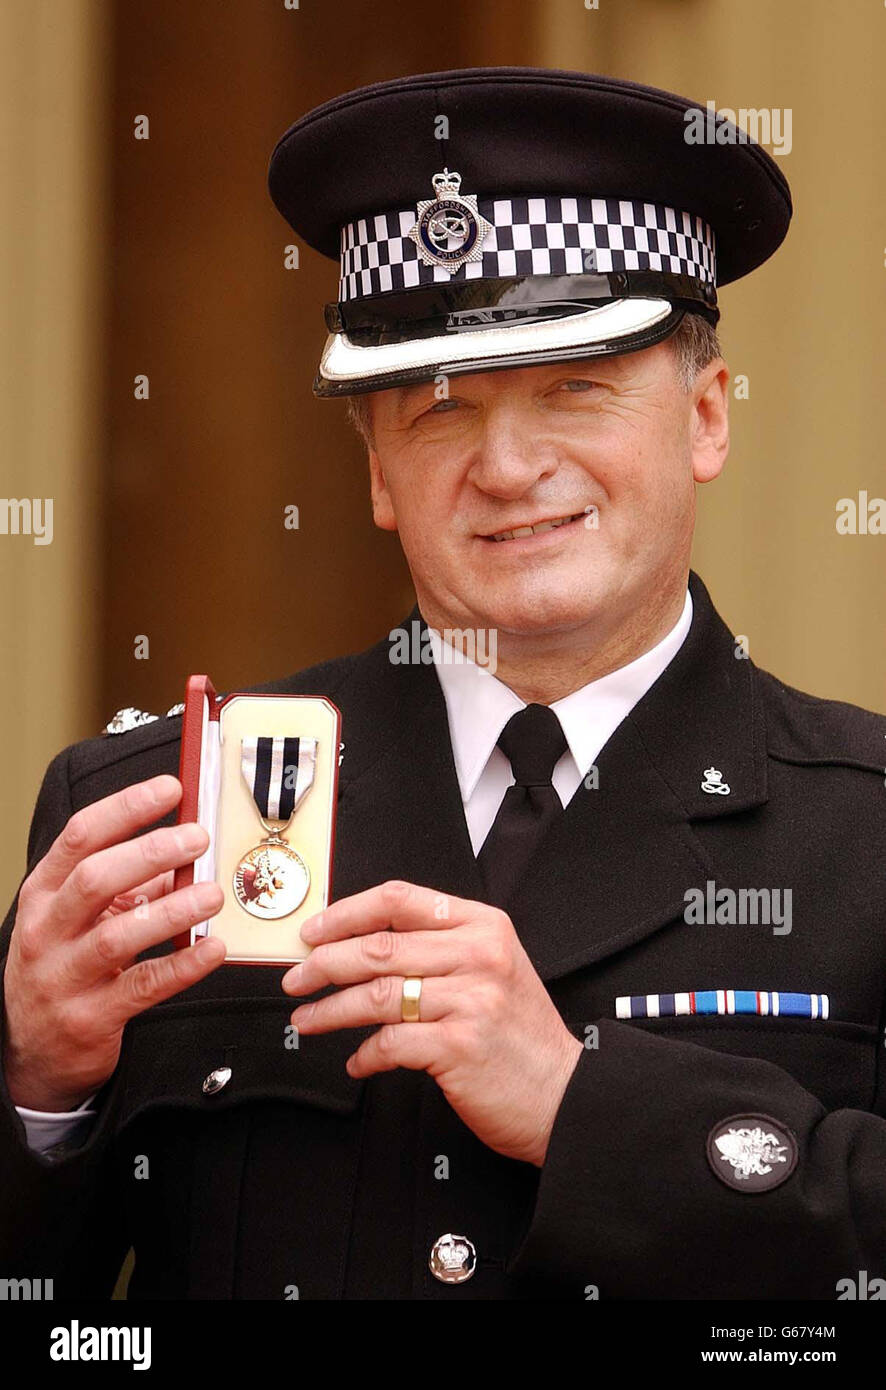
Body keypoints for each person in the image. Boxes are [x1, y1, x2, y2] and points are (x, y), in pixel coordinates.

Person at [2, 67, 885, 1301]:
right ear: (374, 471)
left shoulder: (865, 828)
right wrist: (38, 1093)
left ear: (705, 416)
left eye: (575, 388)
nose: (509, 465)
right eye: (438, 409)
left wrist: (586, 1107)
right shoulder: (163, 813)